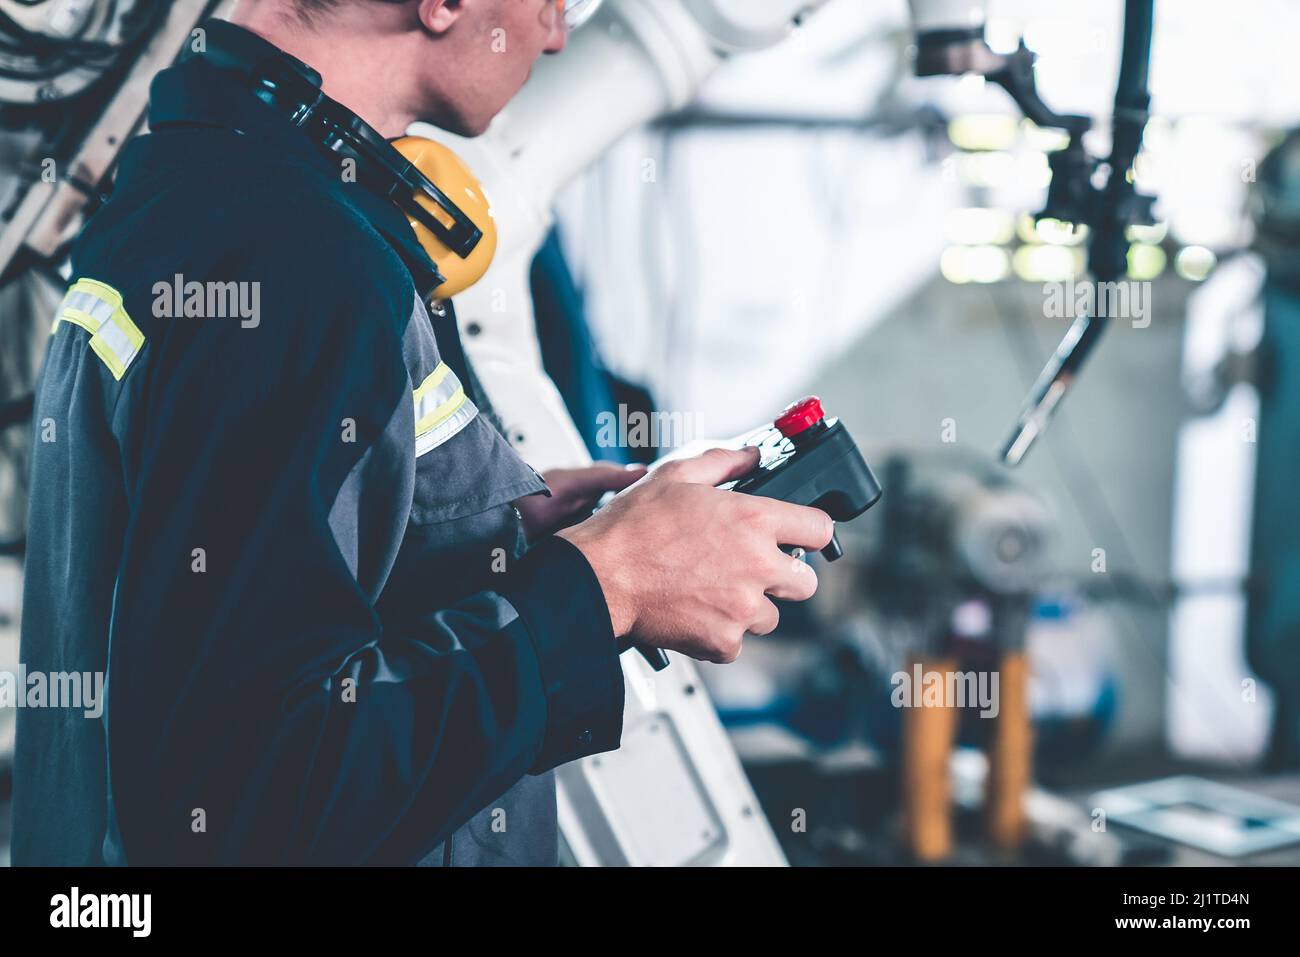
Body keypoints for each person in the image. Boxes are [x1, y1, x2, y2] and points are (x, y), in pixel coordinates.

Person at [13, 0, 832, 866]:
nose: (557, 34)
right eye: (557, 0)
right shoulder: (298, 260)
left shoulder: (189, 188)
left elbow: (215, 577)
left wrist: (485, 528)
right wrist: (610, 583)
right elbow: (254, 799)